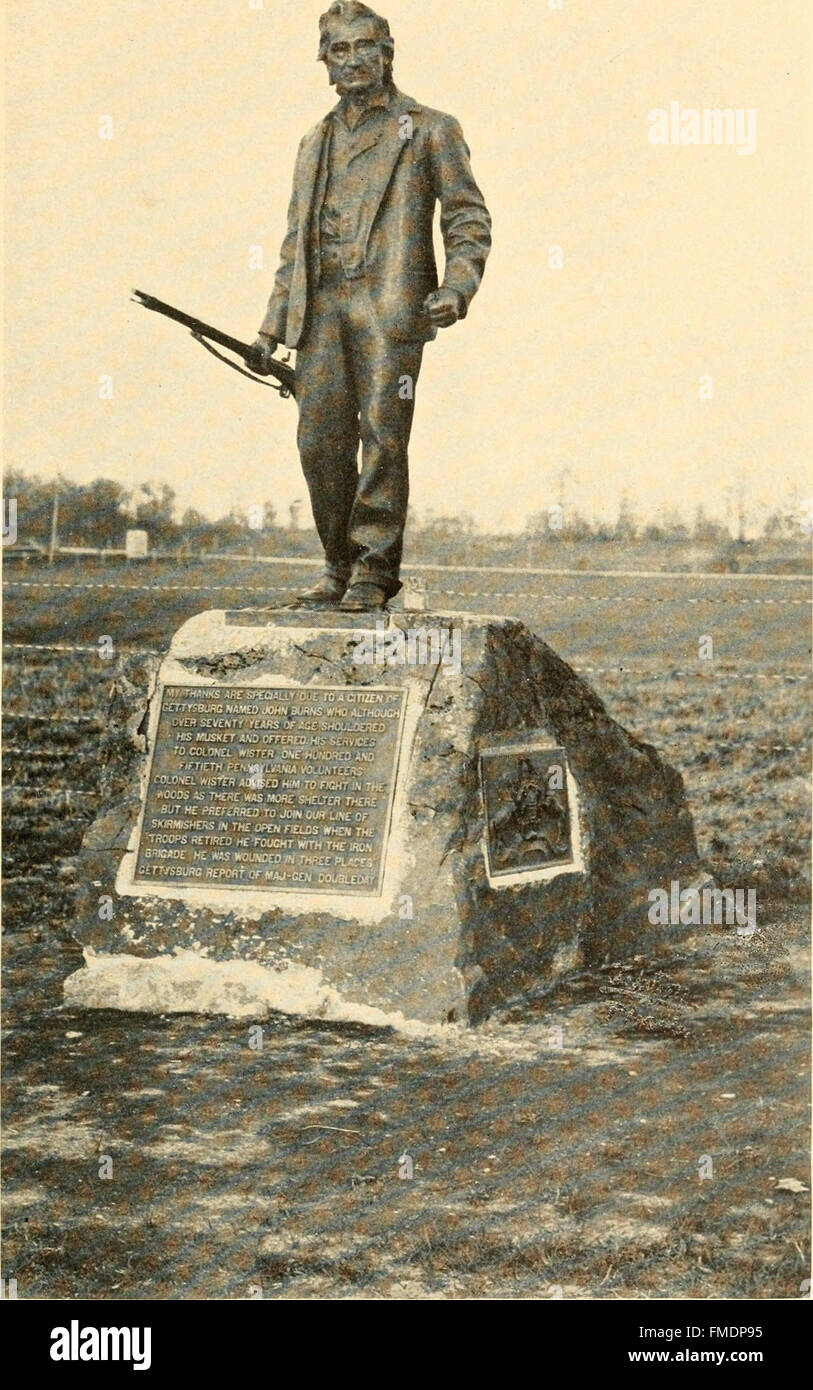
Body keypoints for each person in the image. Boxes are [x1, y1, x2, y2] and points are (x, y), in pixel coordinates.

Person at [248, 1, 491, 610]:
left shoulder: (430, 128)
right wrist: (272, 327)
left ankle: (374, 571)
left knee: (384, 436)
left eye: (364, 47)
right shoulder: (314, 141)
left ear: (388, 52)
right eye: (339, 50)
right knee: (318, 441)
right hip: (322, 311)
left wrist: (456, 289)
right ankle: (338, 566)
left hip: (390, 310)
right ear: (324, 61)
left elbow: (467, 217)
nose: (353, 60)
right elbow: (292, 244)